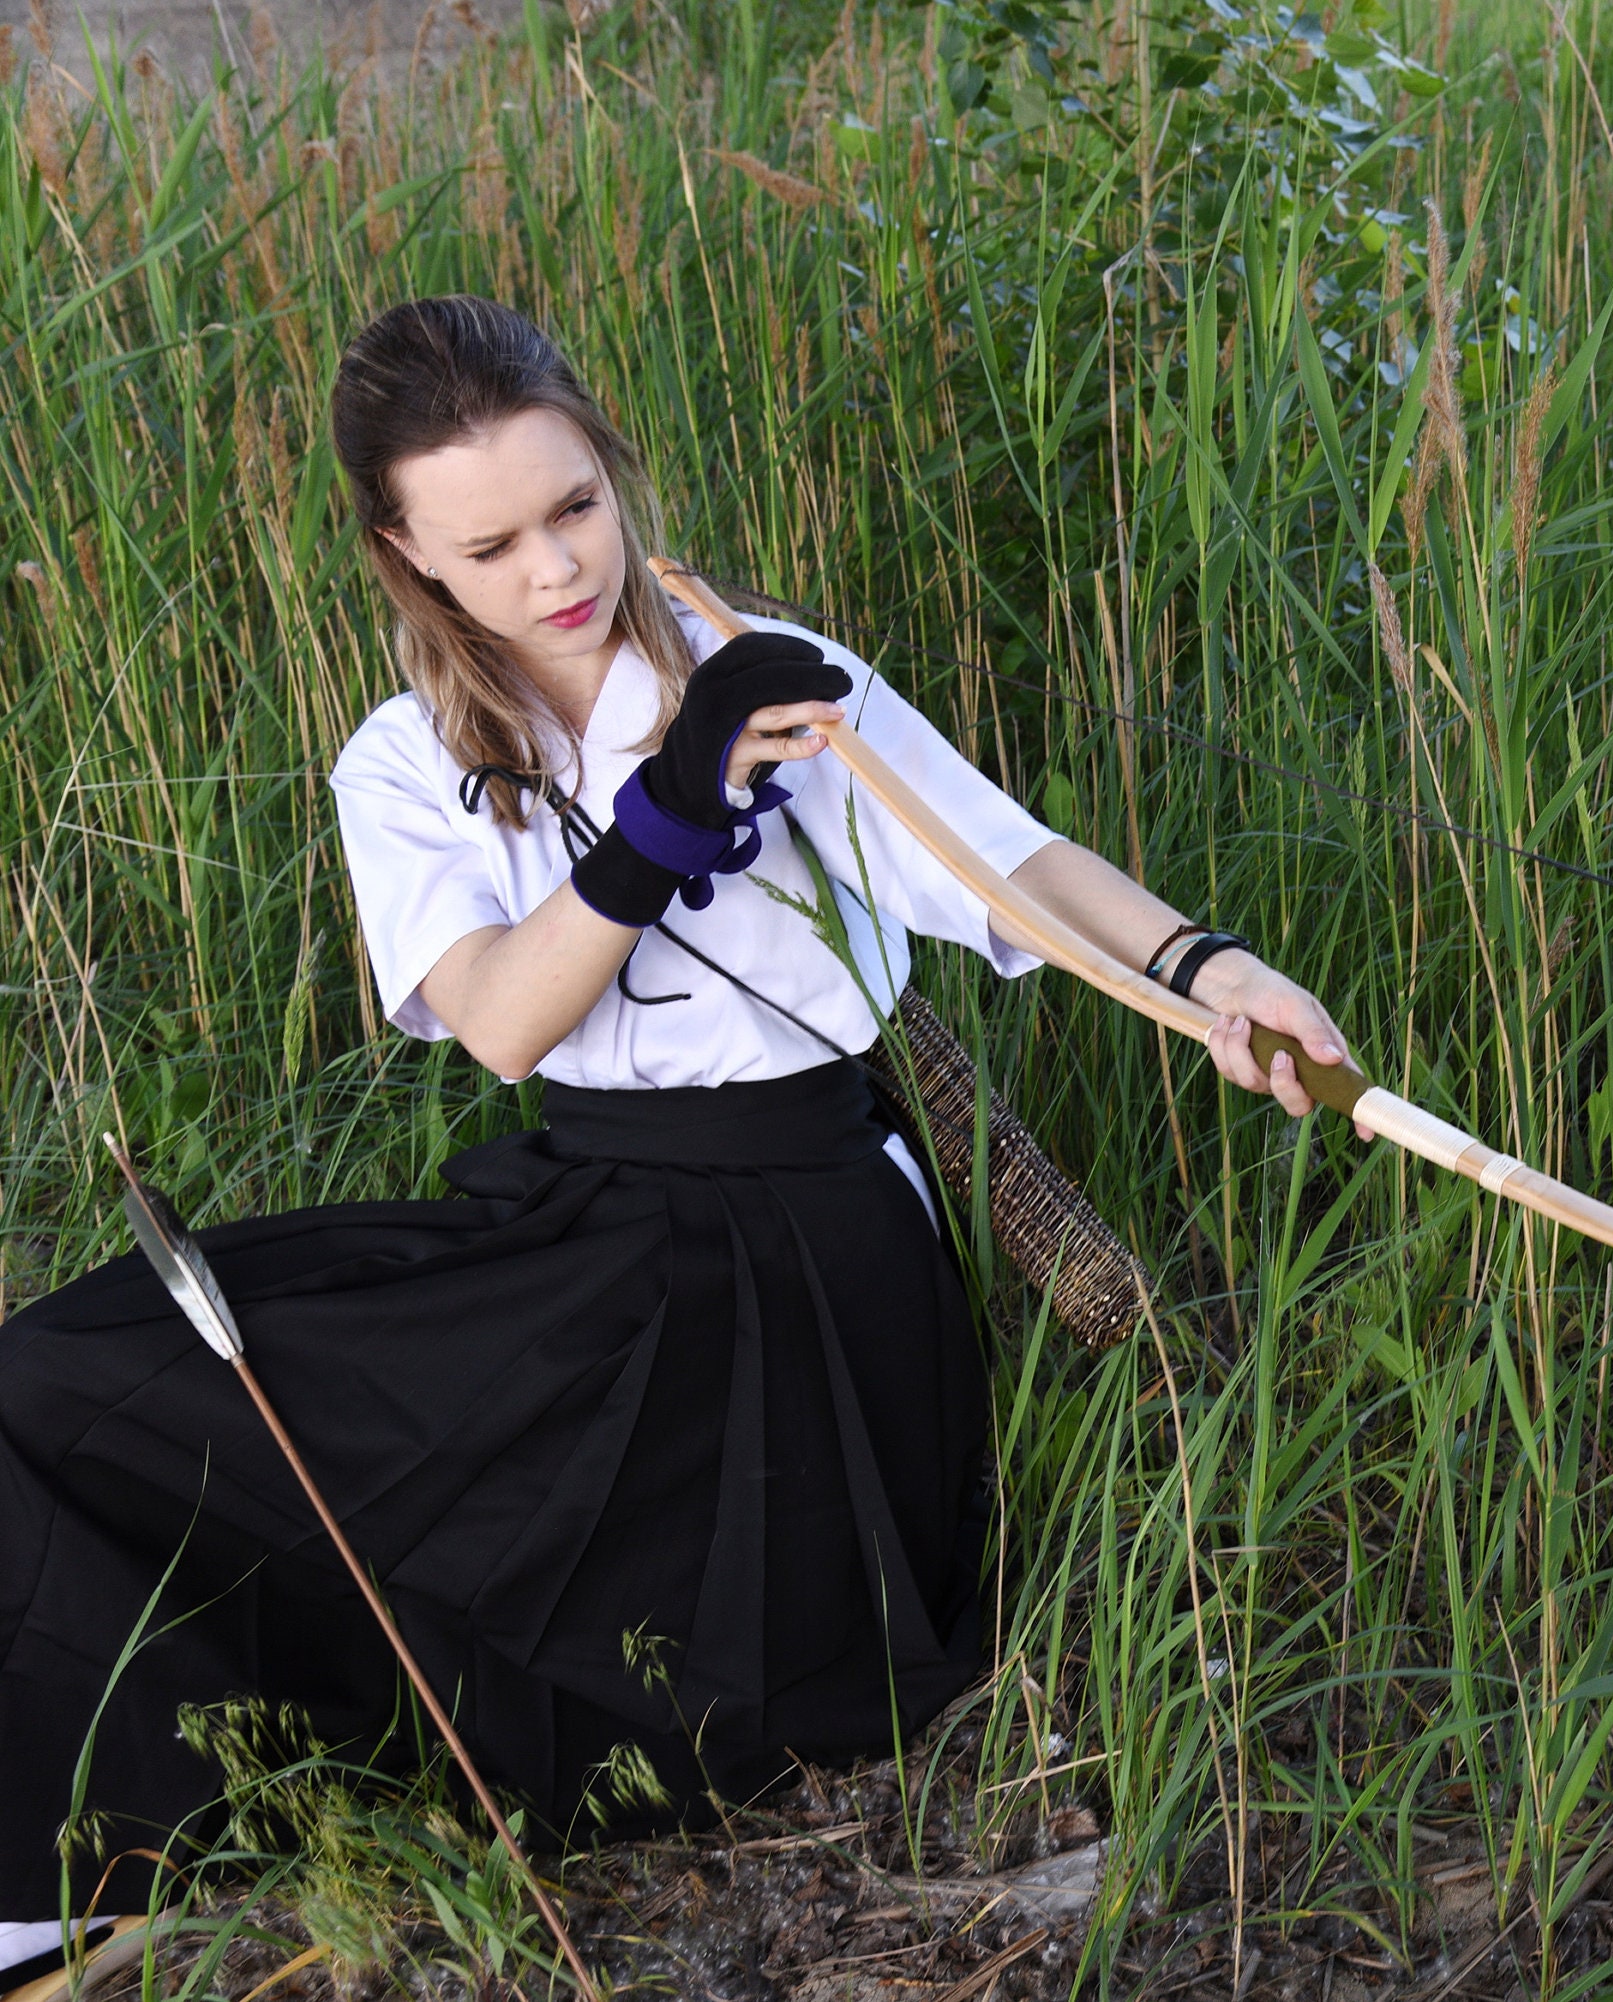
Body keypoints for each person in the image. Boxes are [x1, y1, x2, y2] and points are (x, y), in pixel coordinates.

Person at [0, 294, 1351, 1969]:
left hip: (808, 1249)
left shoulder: (772, 678)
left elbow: (1015, 870)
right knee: (66, 1378)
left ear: (608, 461)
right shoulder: (406, 762)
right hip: (581, 1210)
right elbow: (502, 1019)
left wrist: (1214, 973)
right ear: (409, 558)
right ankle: (82, 1859)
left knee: (634, 1671)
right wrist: (671, 806)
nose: (554, 568)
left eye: (573, 505)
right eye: (488, 544)